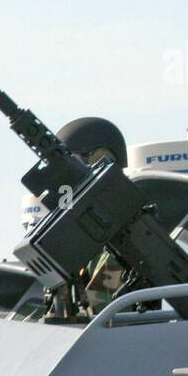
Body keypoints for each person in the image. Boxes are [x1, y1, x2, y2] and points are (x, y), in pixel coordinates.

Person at [52, 117, 128, 316]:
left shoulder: (126, 229)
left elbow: (100, 303)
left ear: (101, 158)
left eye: (73, 160)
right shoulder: (89, 231)